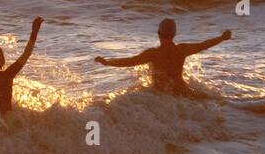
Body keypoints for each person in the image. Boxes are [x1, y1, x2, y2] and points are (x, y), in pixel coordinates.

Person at [94, 18, 231, 97]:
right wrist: (222, 38)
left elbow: (130, 61)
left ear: (158, 33)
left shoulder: (153, 53)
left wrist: (108, 62)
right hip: (183, 91)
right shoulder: (181, 50)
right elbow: (204, 45)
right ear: (174, 34)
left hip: (162, 97)